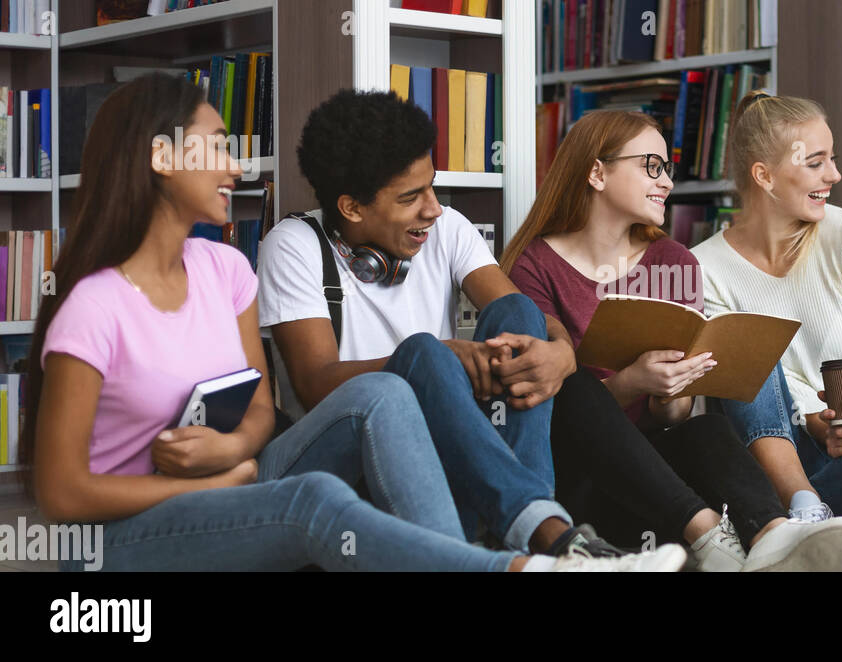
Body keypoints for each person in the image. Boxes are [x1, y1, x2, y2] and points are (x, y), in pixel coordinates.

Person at [21, 74, 683, 572]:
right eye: (217, 146)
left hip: (246, 472)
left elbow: (258, 411)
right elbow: (60, 494)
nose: (237, 165)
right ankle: (530, 560)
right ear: (163, 159)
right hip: (128, 531)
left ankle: (532, 534)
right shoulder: (96, 305)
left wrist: (231, 451)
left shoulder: (225, 270)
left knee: (406, 378)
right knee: (335, 466)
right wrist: (221, 476)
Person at [259, 89, 624, 559]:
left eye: (431, 186)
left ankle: (526, 531)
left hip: (453, 449)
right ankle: (547, 537)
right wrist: (434, 357)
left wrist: (560, 350)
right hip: (357, 454)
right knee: (423, 351)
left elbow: (523, 314)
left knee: (518, 316)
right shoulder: (293, 245)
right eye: (411, 197)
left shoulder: (447, 227)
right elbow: (314, 384)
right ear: (351, 208)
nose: (433, 208)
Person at [502, 109, 842, 571]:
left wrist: (673, 389)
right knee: (572, 383)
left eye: (667, 169)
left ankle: (775, 535)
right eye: (650, 167)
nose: (666, 183)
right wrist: (633, 381)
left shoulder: (670, 260)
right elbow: (546, 407)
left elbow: (670, 419)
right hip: (580, 483)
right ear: (597, 172)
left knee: (707, 428)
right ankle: (709, 537)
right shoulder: (534, 266)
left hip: (657, 481)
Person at [690, 92, 842, 537]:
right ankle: (804, 504)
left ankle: (787, 519)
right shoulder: (703, 267)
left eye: (833, 159)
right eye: (816, 162)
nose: (835, 175)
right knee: (749, 349)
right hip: (769, 445)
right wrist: (810, 421)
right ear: (764, 176)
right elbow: (741, 392)